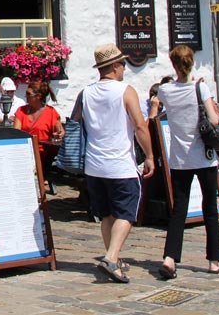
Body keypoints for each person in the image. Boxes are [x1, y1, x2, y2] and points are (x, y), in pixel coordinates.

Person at [81, 43, 154, 284]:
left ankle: (112, 257)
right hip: (119, 162)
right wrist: (150, 156)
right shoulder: (125, 91)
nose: (124, 68)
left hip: (94, 164)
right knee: (126, 212)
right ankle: (111, 257)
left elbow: (78, 123)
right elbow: (140, 126)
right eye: (122, 63)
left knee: (106, 215)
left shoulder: (86, 92)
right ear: (114, 66)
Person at [150, 46, 219, 279]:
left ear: (173, 65)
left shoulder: (165, 90)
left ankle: (170, 258)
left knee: (178, 210)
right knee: (210, 209)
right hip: (203, 156)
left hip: (180, 158)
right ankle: (214, 260)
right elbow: (213, 119)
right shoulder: (200, 87)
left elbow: (154, 109)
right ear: (191, 63)